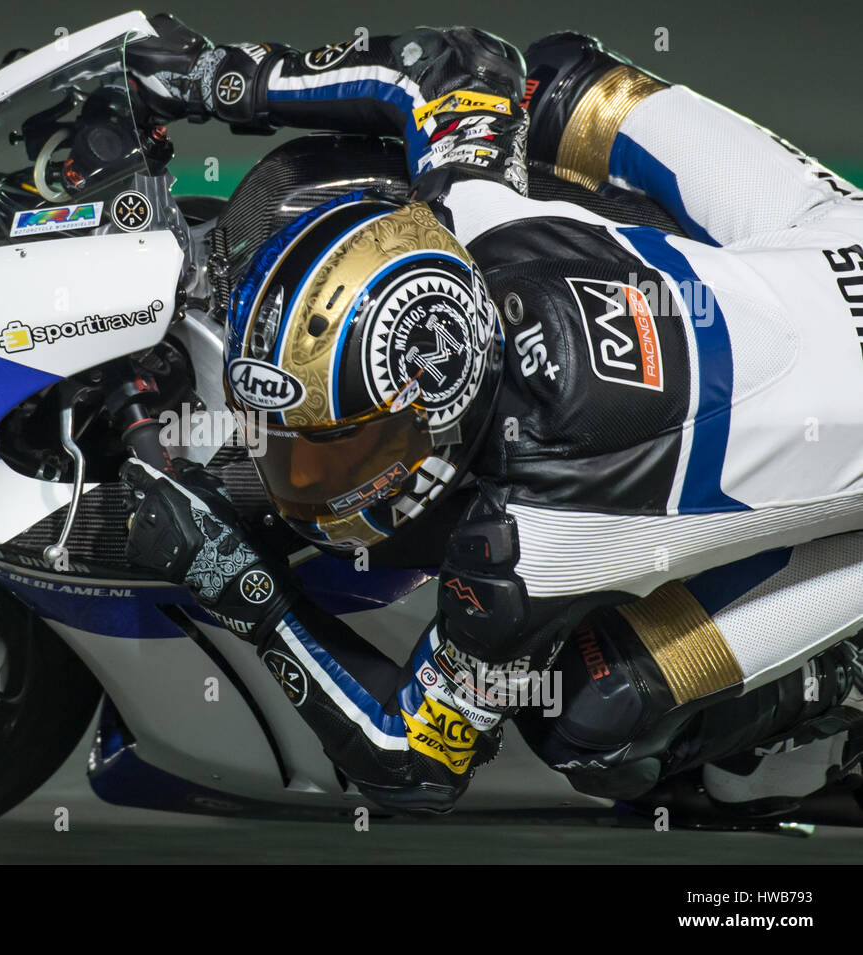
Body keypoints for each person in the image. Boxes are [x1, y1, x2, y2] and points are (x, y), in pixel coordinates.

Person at [121, 15, 863, 815]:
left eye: (335, 449)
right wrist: (221, 78)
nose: (290, 469)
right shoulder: (475, 219)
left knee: (586, 714)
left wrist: (243, 587)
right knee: (558, 81)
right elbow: (451, 62)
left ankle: (847, 670)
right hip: (837, 250)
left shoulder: (521, 554)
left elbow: (412, 761)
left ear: (436, 431)